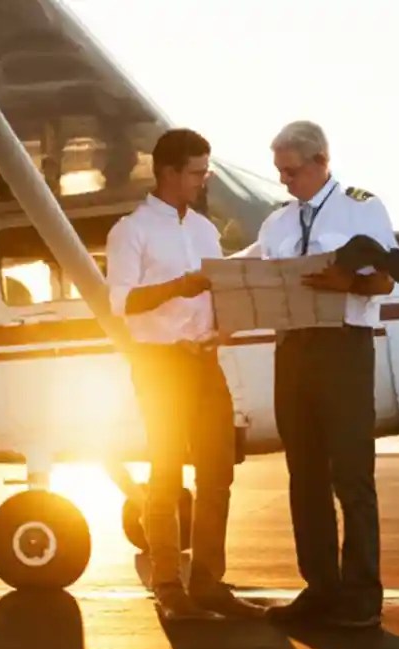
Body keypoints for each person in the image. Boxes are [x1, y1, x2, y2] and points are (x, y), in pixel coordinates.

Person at [241, 120, 399, 628]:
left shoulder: (363, 207)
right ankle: (319, 588)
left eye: (291, 171)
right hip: (292, 352)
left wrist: (346, 282)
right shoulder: (277, 225)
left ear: (320, 163)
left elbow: (387, 278)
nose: (284, 181)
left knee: (351, 475)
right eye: (279, 172)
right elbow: (255, 275)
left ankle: (362, 596)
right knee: (303, 476)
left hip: (344, 350)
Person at [105, 128, 264, 621]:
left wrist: (225, 326)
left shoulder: (204, 230)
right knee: (167, 472)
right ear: (169, 172)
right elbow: (122, 304)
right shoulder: (129, 231)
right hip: (160, 365)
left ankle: (209, 584)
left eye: (206, 171)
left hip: (205, 361)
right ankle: (169, 586)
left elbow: (214, 293)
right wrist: (181, 285)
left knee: (218, 473)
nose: (203, 180)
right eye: (197, 172)